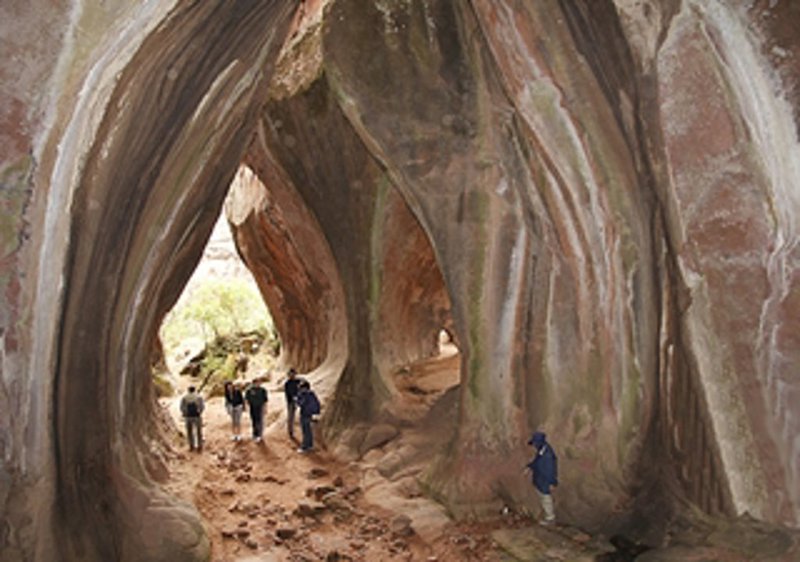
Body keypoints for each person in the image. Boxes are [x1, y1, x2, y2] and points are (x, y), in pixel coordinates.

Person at [525, 431, 558, 524]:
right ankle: (547, 516)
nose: (534, 445)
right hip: (540, 478)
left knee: (546, 498)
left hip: (545, 479)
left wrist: (552, 482)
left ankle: (550, 518)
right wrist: (530, 466)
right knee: (542, 497)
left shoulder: (548, 455)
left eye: (535, 443)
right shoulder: (542, 450)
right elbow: (537, 461)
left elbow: (551, 470)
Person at [295, 380, 320, 453]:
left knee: (305, 430)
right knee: (309, 430)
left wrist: (296, 400)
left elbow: (301, 403)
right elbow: (317, 404)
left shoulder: (304, 394)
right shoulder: (312, 394)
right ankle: (310, 445)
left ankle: (305, 447)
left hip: (305, 413)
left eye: (301, 387)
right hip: (310, 414)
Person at [179, 386, 205, 451]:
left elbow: (181, 407)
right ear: (194, 390)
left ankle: (191, 446)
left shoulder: (184, 397)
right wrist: (199, 412)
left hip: (188, 417)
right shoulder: (199, 397)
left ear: (188, 390)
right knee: (199, 432)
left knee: (189, 432)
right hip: (197, 416)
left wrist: (184, 413)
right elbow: (202, 406)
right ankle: (199, 446)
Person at [244, 377, 268, 442]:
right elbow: (246, 399)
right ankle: (255, 434)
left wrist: (265, 408)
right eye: (257, 382)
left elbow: (265, 400)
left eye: (259, 382)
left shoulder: (263, 390)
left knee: (260, 421)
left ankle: (260, 435)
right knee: (254, 421)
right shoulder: (249, 390)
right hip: (252, 407)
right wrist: (246, 407)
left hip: (260, 407)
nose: (258, 384)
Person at [283, 368, 301, 440]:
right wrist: (291, 400)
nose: (292, 375)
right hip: (291, 401)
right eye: (290, 374)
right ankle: (290, 431)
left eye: (293, 374)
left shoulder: (298, 381)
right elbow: (288, 394)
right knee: (291, 416)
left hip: (300, 399)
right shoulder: (287, 383)